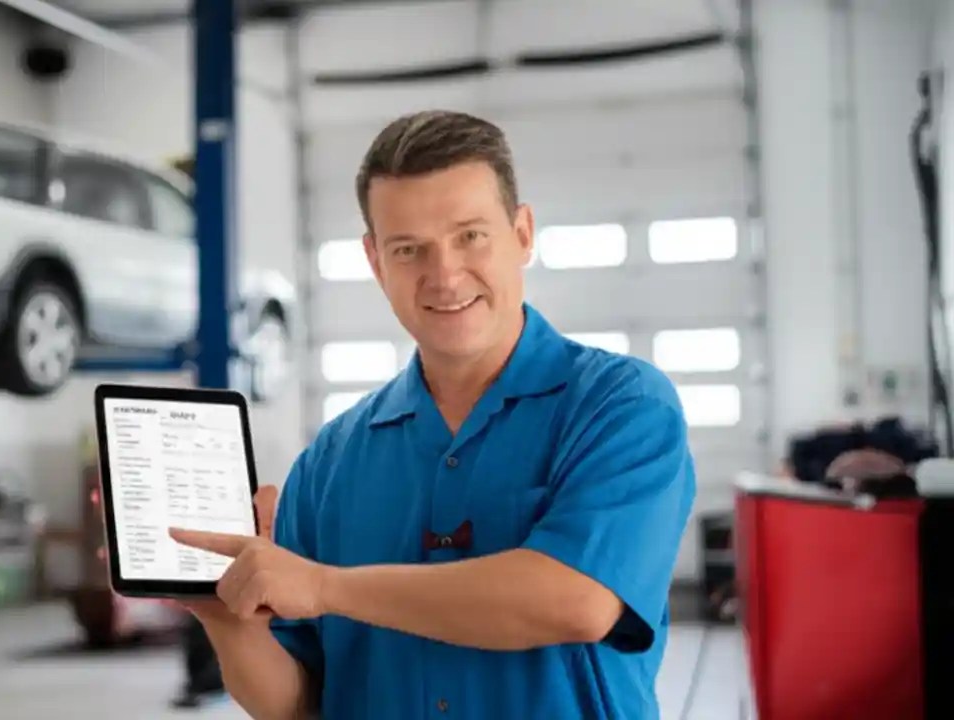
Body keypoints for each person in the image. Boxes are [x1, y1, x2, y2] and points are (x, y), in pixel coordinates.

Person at [170, 110, 696, 719]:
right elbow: (297, 705)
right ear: (375, 260)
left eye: (471, 235)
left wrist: (322, 586)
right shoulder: (332, 460)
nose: (444, 276)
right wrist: (223, 616)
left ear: (522, 234)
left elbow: (575, 600)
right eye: (409, 249)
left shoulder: (619, 406)